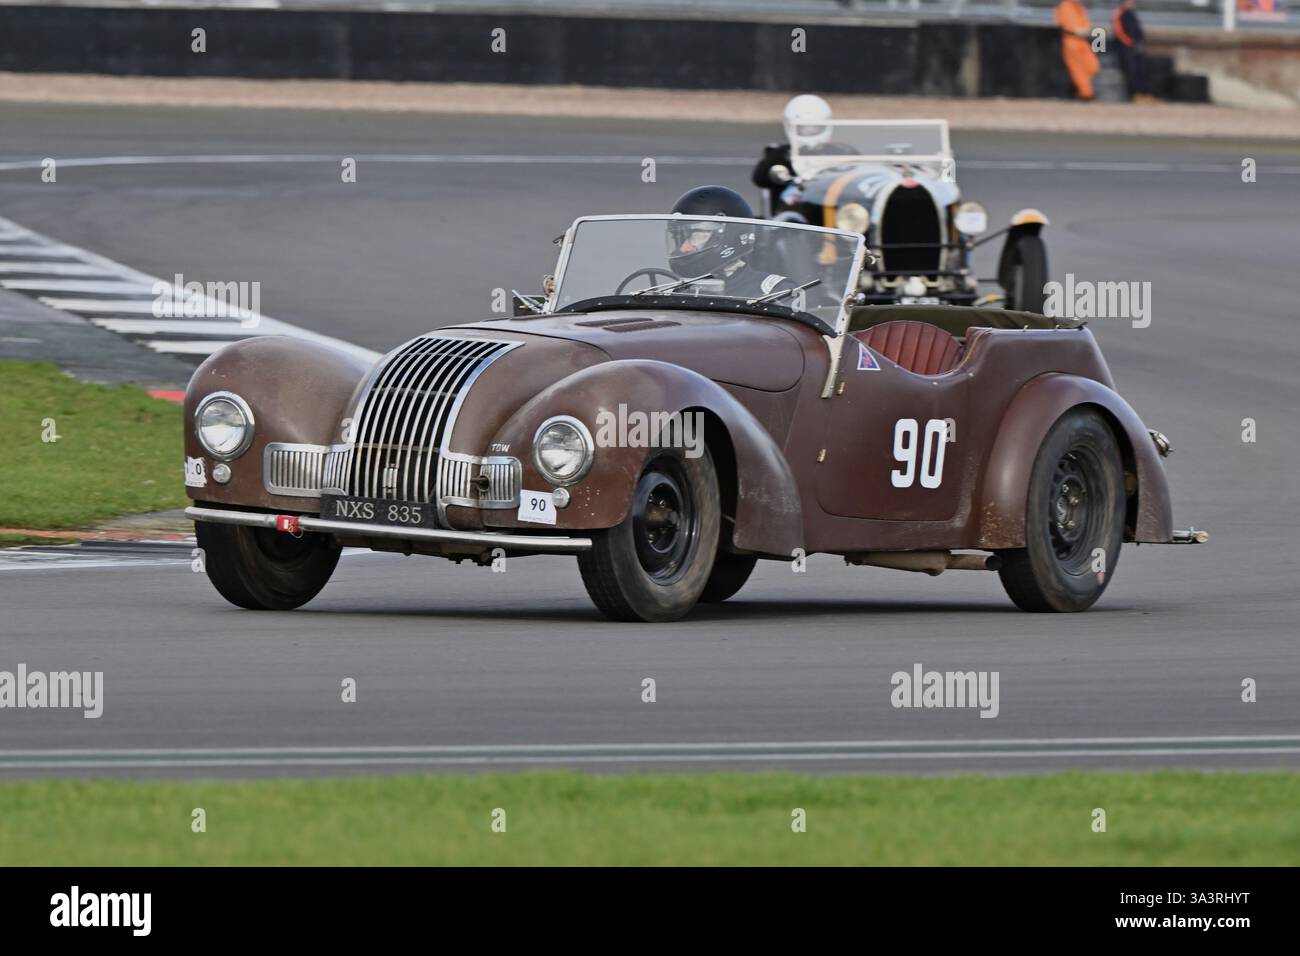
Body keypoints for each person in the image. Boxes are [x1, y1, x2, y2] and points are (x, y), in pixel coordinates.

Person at [665, 186, 796, 300]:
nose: (684, 248)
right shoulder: (675, 292)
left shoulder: (774, 291)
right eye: (680, 238)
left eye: (696, 234)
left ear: (728, 235)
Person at [1055, 0, 1100, 101]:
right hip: (1071, 39)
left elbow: (1086, 22)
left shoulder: (1079, 7)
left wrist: (1087, 30)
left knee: (1093, 65)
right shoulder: (1064, 6)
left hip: (1083, 40)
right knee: (1077, 69)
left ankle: (1081, 90)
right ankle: (1086, 94)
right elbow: (1064, 24)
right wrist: (1076, 30)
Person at [1112, 0, 1149, 102]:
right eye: (1129, 2)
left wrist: (1140, 42)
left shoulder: (1133, 14)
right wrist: (1129, 42)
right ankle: (1131, 95)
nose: (1131, 4)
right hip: (1125, 48)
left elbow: (1138, 31)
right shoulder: (1119, 13)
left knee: (1140, 70)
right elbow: (1118, 31)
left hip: (1135, 47)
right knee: (1130, 71)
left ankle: (1142, 94)